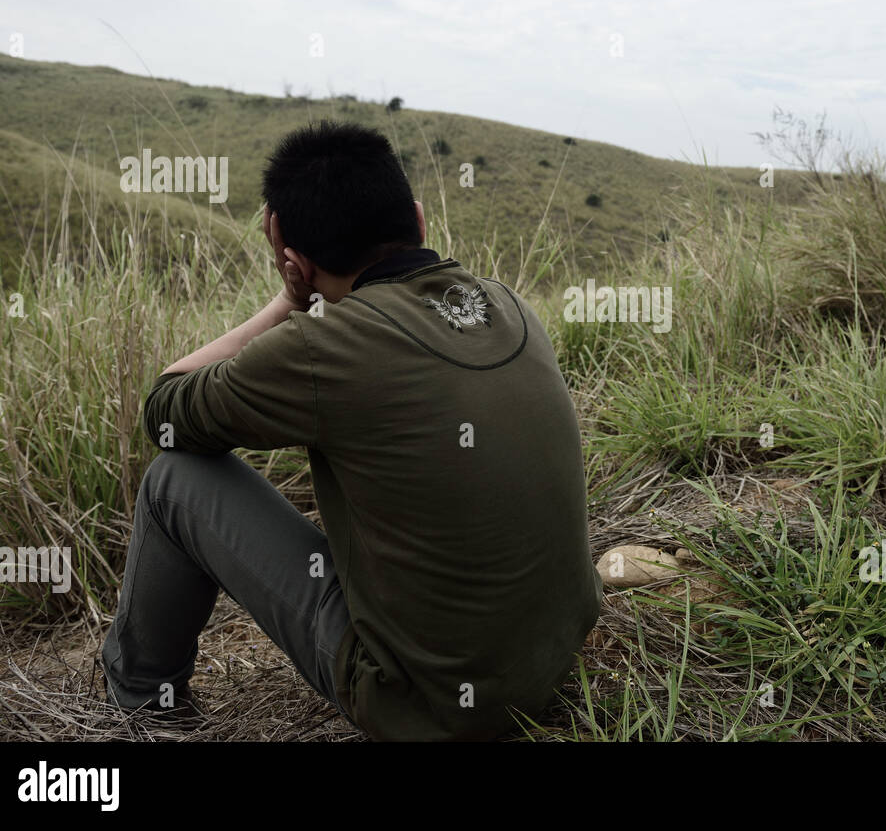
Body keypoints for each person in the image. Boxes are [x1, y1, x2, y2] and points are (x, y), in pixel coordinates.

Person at [101, 119, 602, 740]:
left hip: (427, 708)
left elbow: (166, 412)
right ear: (418, 221)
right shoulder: (508, 304)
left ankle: (143, 701)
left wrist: (288, 300)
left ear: (293, 258)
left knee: (173, 478)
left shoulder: (321, 346)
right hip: (547, 669)